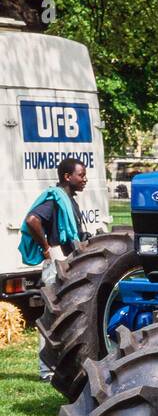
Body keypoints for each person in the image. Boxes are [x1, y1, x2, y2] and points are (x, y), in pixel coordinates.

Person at [20, 158, 87, 381]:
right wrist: (47, 249)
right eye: (81, 175)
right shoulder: (55, 199)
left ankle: (62, 365)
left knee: (67, 315)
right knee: (52, 316)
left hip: (68, 258)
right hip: (57, 259)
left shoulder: (68, 200)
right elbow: (32, 220)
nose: (85, 179)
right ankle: (46, 370)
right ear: (68, 177)